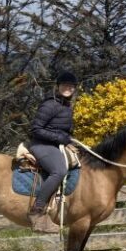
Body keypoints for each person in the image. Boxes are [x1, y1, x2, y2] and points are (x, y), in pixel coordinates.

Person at [27, 71, 78, 233]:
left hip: (56, 145)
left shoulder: (66, 106)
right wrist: (60, 138)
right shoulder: (50, 105)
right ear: (58, 87)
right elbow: (35, 129)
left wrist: (69, 140)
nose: (68, 88)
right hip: (41, 144)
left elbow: (61, 130)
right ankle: (37, 210)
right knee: (59, 170)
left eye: (71, 86)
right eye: (64, 85)